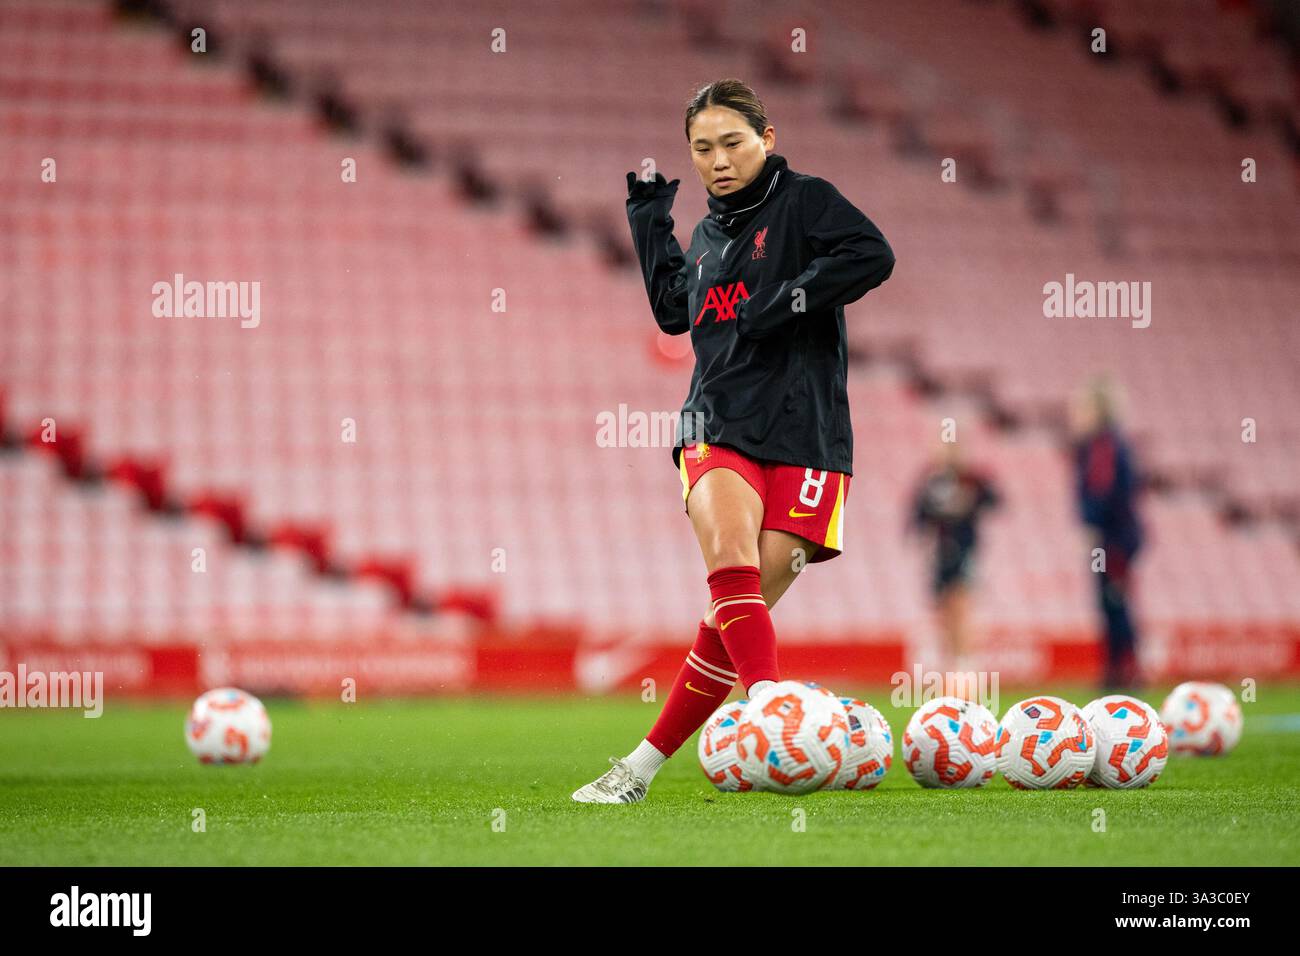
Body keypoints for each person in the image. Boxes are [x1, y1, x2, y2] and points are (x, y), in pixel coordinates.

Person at [572, 78, 895, 803]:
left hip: (809, 433)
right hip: (715, 422)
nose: (717, 160)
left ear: (767, 139)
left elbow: (874, 255)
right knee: (730, 561)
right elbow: (673, 314)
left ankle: (640, 768)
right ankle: (775, 720)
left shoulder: (806, 202)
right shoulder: (707, 233)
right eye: (702, 148)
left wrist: (790, 299)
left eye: (731, 143)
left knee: (730, 618)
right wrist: (649, 218)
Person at [1071, 377, 1144, 690]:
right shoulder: (1103, 445)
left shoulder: (1104, 446)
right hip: (1113, 536)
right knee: (1111, 601)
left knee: (1115, 601)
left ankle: (1123, 670)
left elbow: (1102, 492)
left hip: (1113, 539)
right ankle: (1118, 668)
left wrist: (1092, 525)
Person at [907, 442, 999, 679]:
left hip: (964, 550)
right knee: (942, 608)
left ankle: (965, 662)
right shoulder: (932, 479)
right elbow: (916, 515)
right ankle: (950, 662)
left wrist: (970, 501)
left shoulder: (971, 479)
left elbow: (995, 500)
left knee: (961, 602)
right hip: (939, 553)